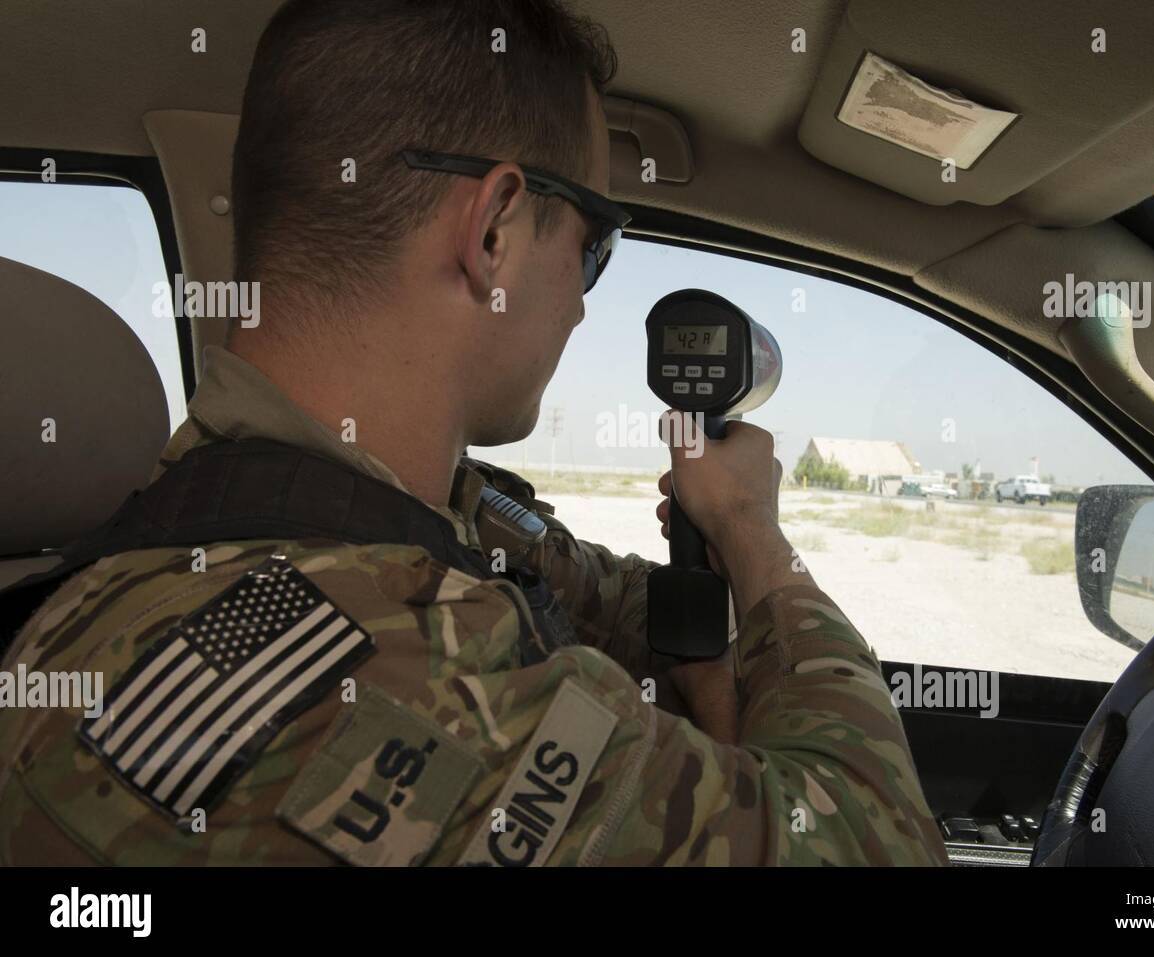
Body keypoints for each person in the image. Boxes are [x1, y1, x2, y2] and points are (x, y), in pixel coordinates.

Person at [0, 0, 945, 866]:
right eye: (592, 246)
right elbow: (882, 845)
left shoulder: (338, 511)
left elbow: (592, 591)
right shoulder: (384, 683)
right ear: (494, 230)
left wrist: (710, 577)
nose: (579, 305)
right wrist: (757, 541)